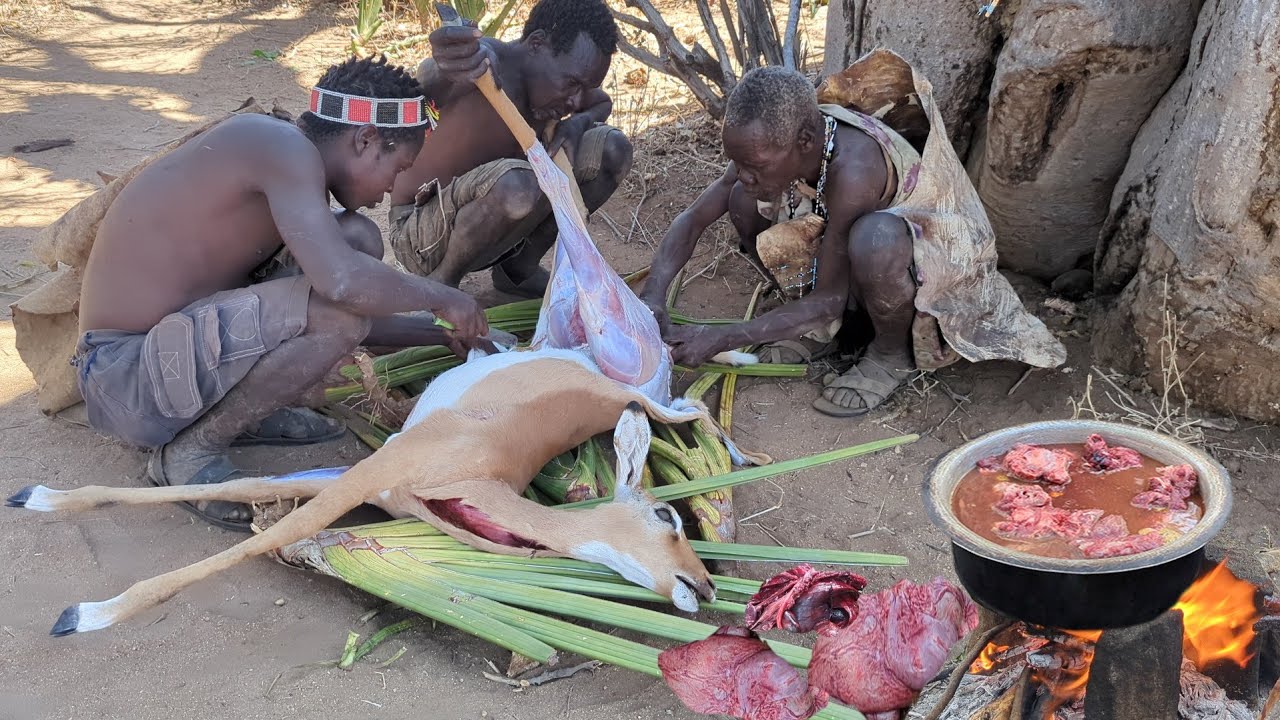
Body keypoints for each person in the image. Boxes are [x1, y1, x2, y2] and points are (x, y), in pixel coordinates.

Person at [74, 55, 496, 531]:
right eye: (398, 169)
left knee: (356, 240)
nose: (389, 190)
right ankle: (189, 453)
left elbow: (344, 294)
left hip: (165, 363)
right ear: (366, 139)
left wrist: (440, 336)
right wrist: (445, 298)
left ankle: (240, 415)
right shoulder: (278, 147)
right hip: (123, 377)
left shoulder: (292, 164)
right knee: (341, 302)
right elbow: (342, 290)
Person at [639, 58, 1066, 417]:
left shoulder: (856, 168)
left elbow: (830, 297)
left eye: (755, 164)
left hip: (925, 272)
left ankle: (888, 354)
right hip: (843, 268)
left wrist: (726, 336)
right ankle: (817, 331)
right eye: (737, 160)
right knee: (740, 199)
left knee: (874, 239)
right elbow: (694, 219)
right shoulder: (772, 146)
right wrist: (654, 297)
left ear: (804, 142)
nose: (744, 172)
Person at [386, 0, 633, 298]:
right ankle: (441, 287)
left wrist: (577, 124)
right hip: (422, 234)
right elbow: (428, 82)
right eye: (572, 84)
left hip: (504, 229)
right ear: (536, 44)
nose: (576, 100)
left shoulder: (561, 93)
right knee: (519, 186)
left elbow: (600, 102)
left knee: (613, 150)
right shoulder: (483, 68)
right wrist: (452, 63)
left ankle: (518, 270)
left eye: (584, 88)